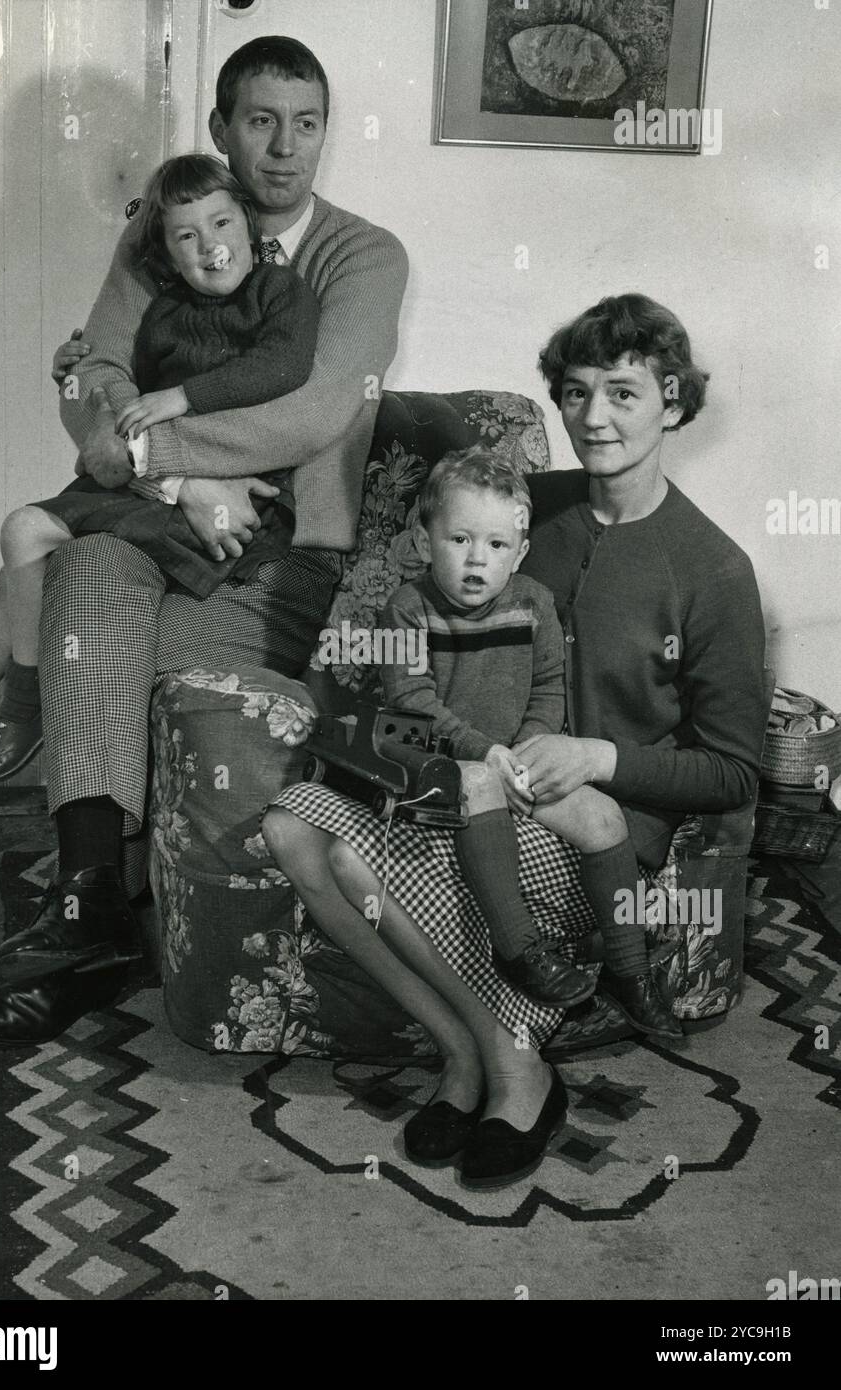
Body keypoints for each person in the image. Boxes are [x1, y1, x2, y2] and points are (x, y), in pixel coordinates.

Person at [263, 294, 769, 1189]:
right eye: (575, 393)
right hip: (478, 775)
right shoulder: (531, 508)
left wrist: (598, 759)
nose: (593, 417)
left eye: (622, 393)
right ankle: (463, 1049)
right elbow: (417, 604)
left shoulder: (714, 569)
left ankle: (517, 1070)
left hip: (599, 821)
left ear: (673, 403)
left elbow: (734, 772)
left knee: (354, 863)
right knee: (290, 829)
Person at [0, 36, 408, 1043]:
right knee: (83, 567)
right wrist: (179, 480)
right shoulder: (163, 227)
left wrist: (148, 449)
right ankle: (92, 907)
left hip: (283, 558)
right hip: (156, 519)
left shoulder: (363, 256)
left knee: (97, 656)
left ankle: (93, 906)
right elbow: (91, 381)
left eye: (306, 124)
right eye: (261, 121)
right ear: (219, 128)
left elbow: (311, 410)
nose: (285, 149)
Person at [0, 153, 318, 792]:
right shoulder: (167, 312)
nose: (211, 246)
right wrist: (73, 375)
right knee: (23, 561)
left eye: (222, 223)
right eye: (187, 236)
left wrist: (181, 399)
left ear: (249, 221)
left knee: (24, 534)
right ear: (166, 254)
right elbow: (116, 395)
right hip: (159, 486)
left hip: (238, 500)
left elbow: (283, 368)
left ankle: (18, 708)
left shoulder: (280, 291)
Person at [379, 445, 681, 1038]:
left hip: (509, 755)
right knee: (476, 780)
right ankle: (518, 948)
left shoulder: (534, 603)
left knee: (602, 817)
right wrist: (487, 755)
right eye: (459, 539)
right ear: (424, 541)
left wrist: (529, 751)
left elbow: (547, 688)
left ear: (518, 553)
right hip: (429, 751)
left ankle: (628, 970)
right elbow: (412, 703)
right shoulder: (406, 609)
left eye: (496, 545)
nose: (477, 559)